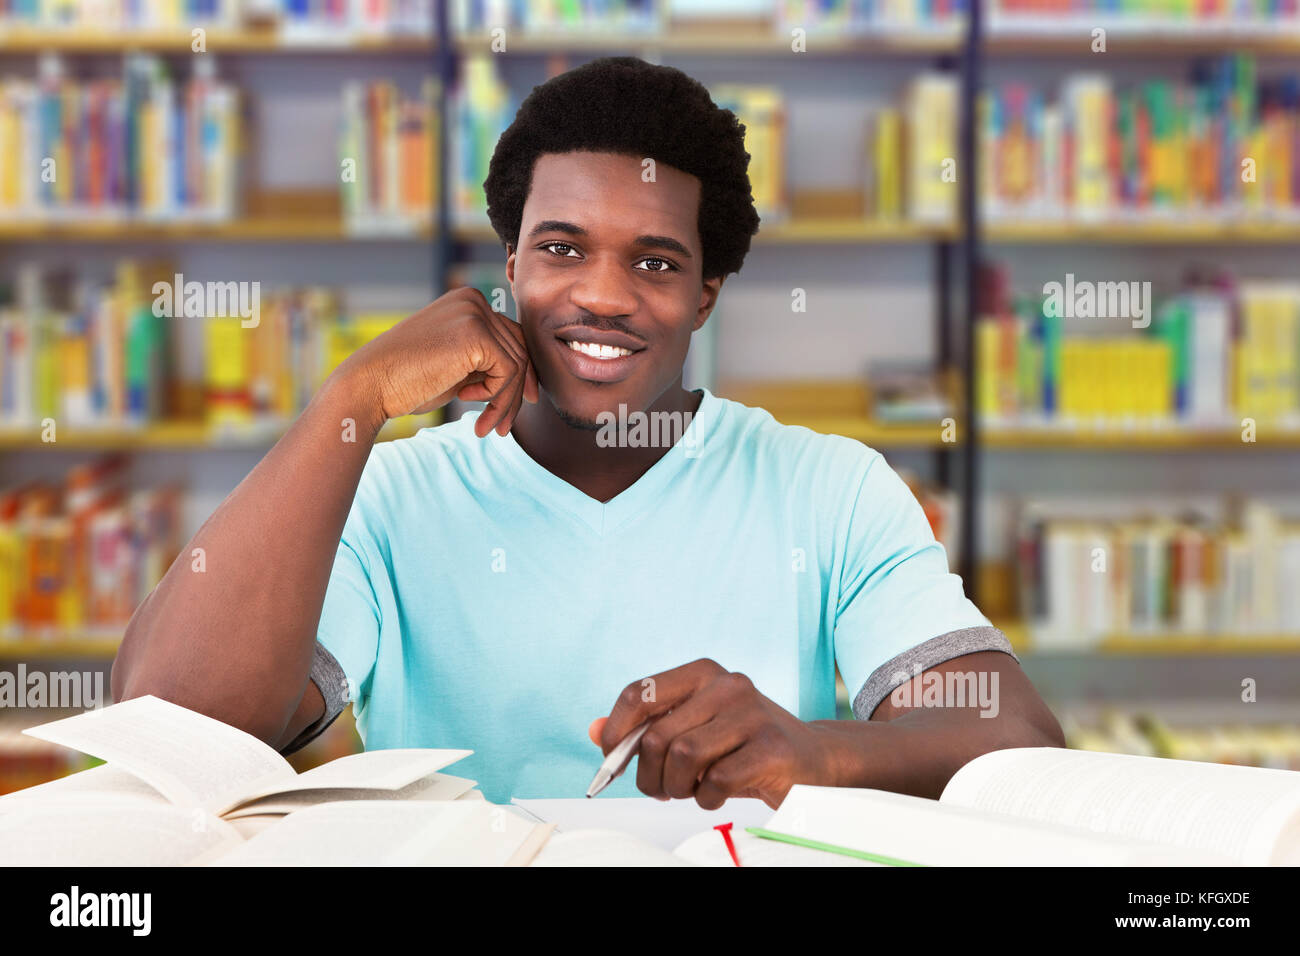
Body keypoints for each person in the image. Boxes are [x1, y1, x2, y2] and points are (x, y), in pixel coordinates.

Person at [112, 56, 1063, 808]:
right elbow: (172, 723)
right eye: (562, 249)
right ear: (511, 264)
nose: (603, 296)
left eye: (655, 262)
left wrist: (816, 749)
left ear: (705, 297)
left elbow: (1013, 739)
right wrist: (350, 400)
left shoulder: (831, 488)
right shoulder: (387, 498)